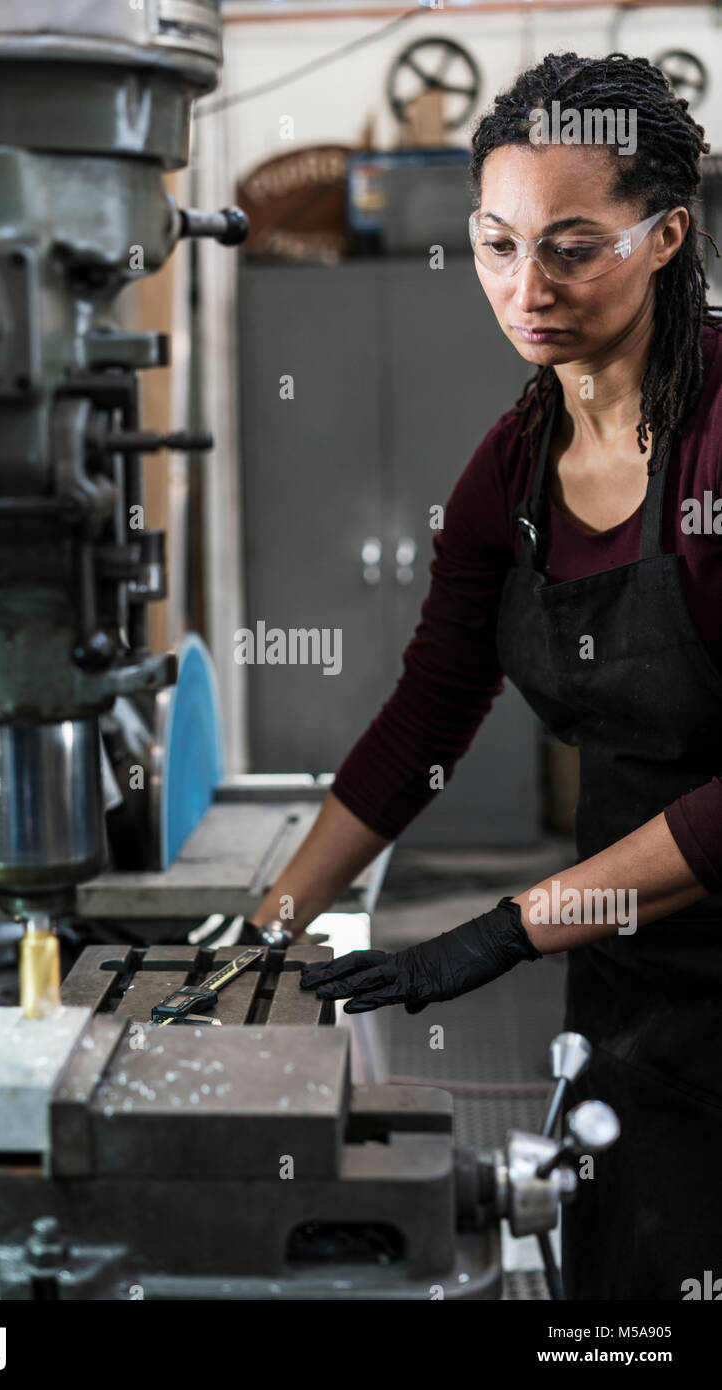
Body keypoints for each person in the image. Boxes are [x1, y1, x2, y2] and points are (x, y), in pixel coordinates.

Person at [247, 52, 722, 1300]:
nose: (527, 287)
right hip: (641, 967)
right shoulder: (513, 469)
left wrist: (508, 927)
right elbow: (429, 713)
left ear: (667, 234)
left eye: (574, 247)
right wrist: (268, 926)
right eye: (499, 244)